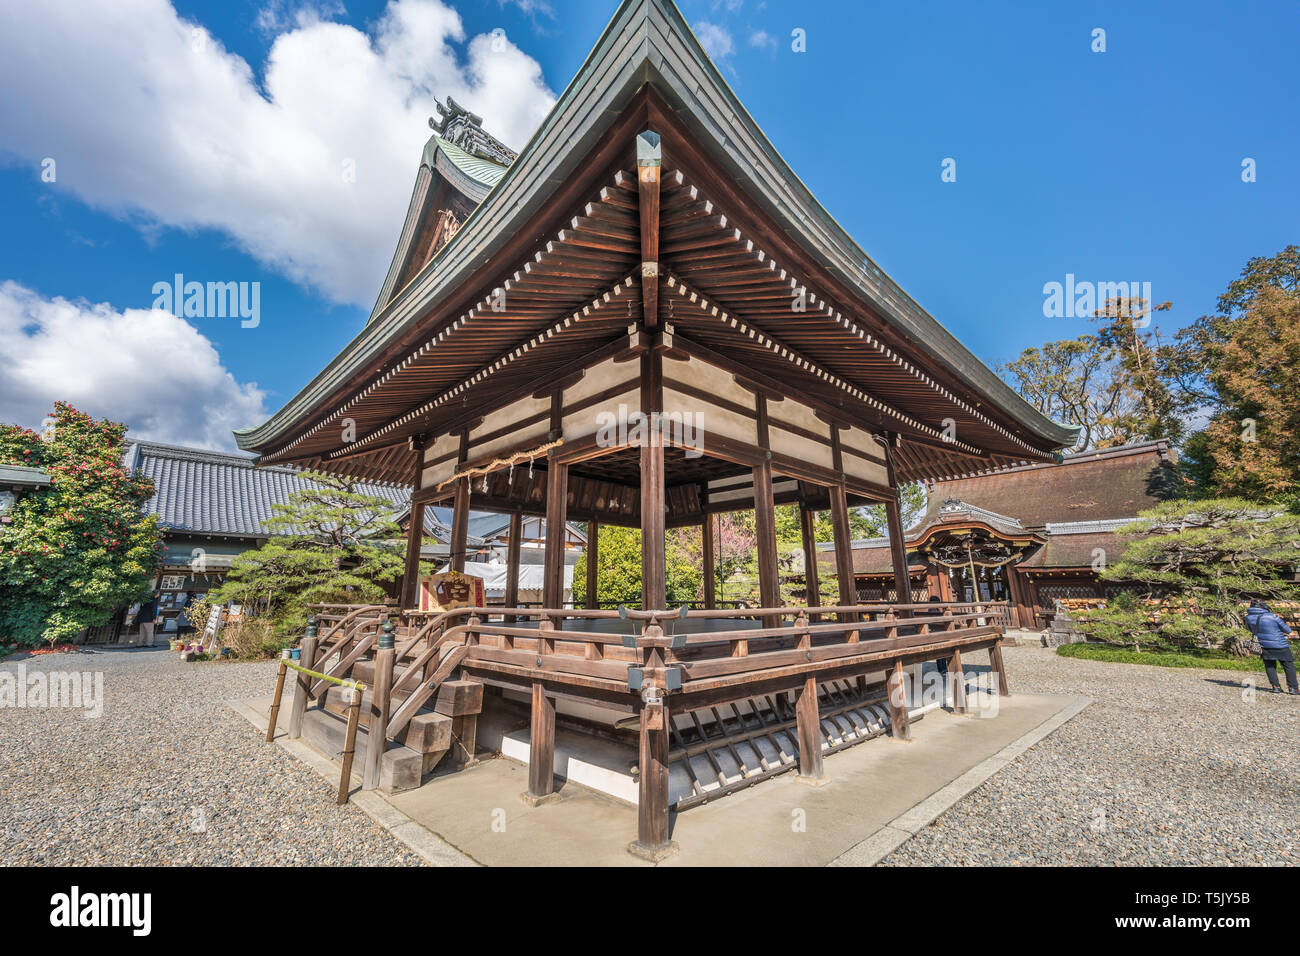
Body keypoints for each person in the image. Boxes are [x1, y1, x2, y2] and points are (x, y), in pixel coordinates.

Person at [1245, 601, 1298, 695]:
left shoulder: (1248, 618)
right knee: (1288, 665)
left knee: (1270, 665)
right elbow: (1287, 629)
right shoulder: (1272, 616)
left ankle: (1276, 687)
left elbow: (1250, 629)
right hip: (1280, 644)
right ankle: (1293, 688)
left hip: (1263, 644)